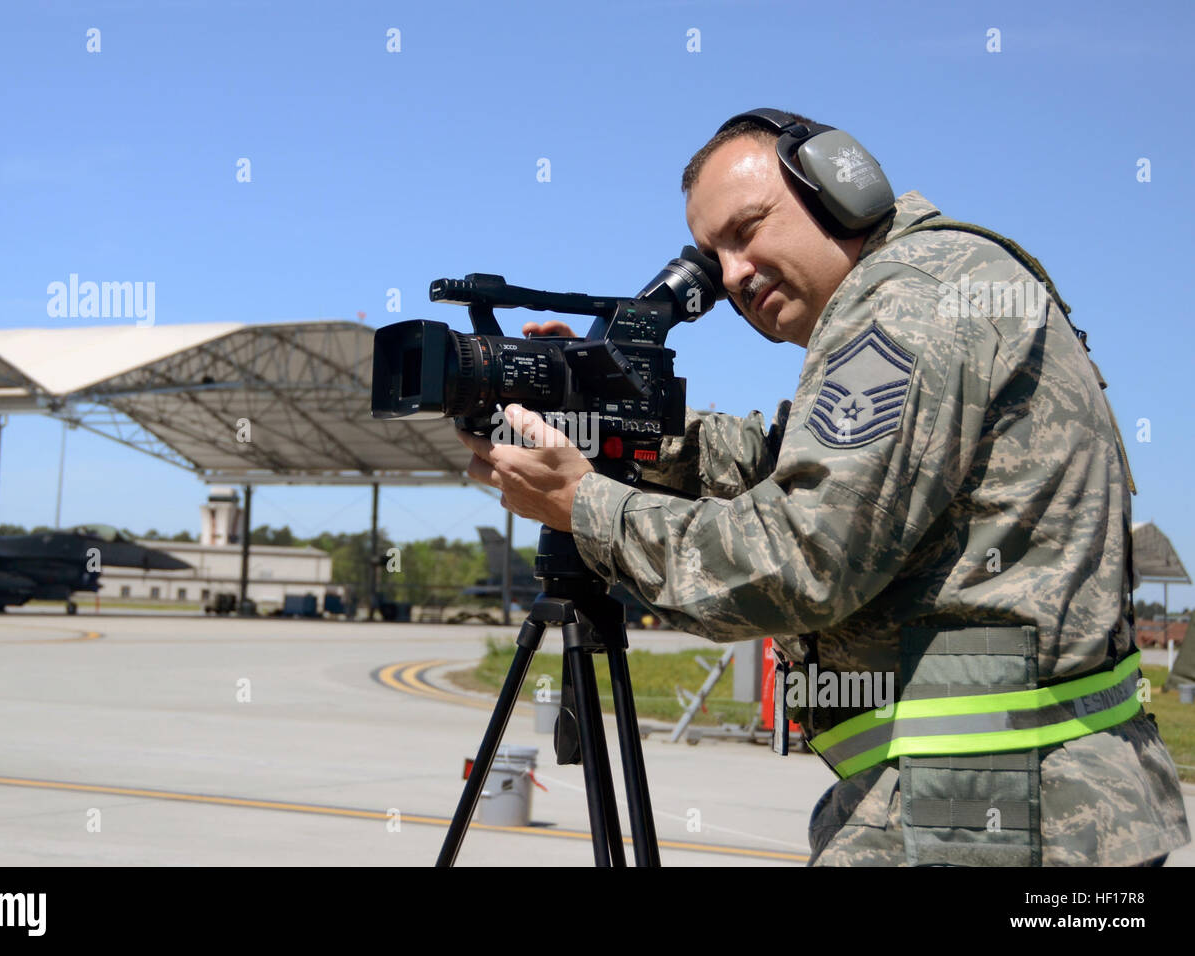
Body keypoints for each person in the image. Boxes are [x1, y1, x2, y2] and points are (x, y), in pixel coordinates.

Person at [457, 109, 1190, 866]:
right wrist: (619, 423)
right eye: (714, 256)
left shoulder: (905, 302)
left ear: (844, 186)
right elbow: (797, 472)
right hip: (1031, 808)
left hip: (988, 817)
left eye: (748, 229)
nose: (735, 274)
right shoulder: (949, 282)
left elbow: (799, 560)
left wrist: (585, 505)